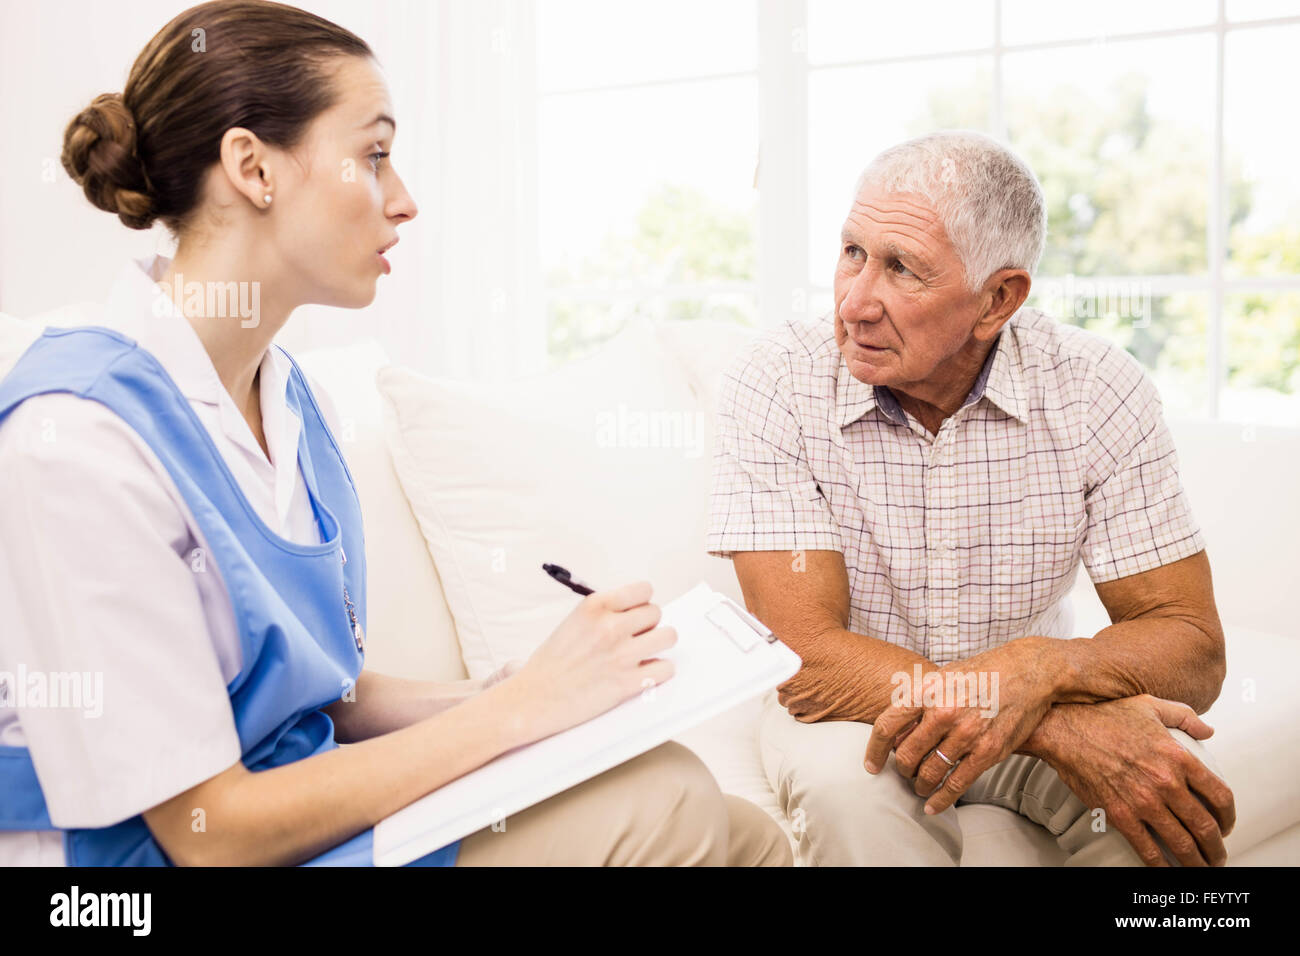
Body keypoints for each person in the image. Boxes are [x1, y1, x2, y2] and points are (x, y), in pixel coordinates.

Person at [0, 0, 790, 868]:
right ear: (252, 168)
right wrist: (515, 715)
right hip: (150, 869)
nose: (404, 200)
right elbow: (211, 833)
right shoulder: (77, 440)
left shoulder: (295, 405)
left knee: (741, 831)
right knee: (663, 799)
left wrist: (529, 692)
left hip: (293, 812)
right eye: (373, 156)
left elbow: (324, 698)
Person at [707, 130, 1235, 867]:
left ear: (998, 299)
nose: (855, 302)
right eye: (852, 252)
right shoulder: (776, 380)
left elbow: (1191, 644)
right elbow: (809, 659)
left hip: (1041, 692)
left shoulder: (1097, 389)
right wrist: (1031, 713)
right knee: (843, 791)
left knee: (1168, 790)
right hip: (855, 710)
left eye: (902, 270)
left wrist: (1041, 669)